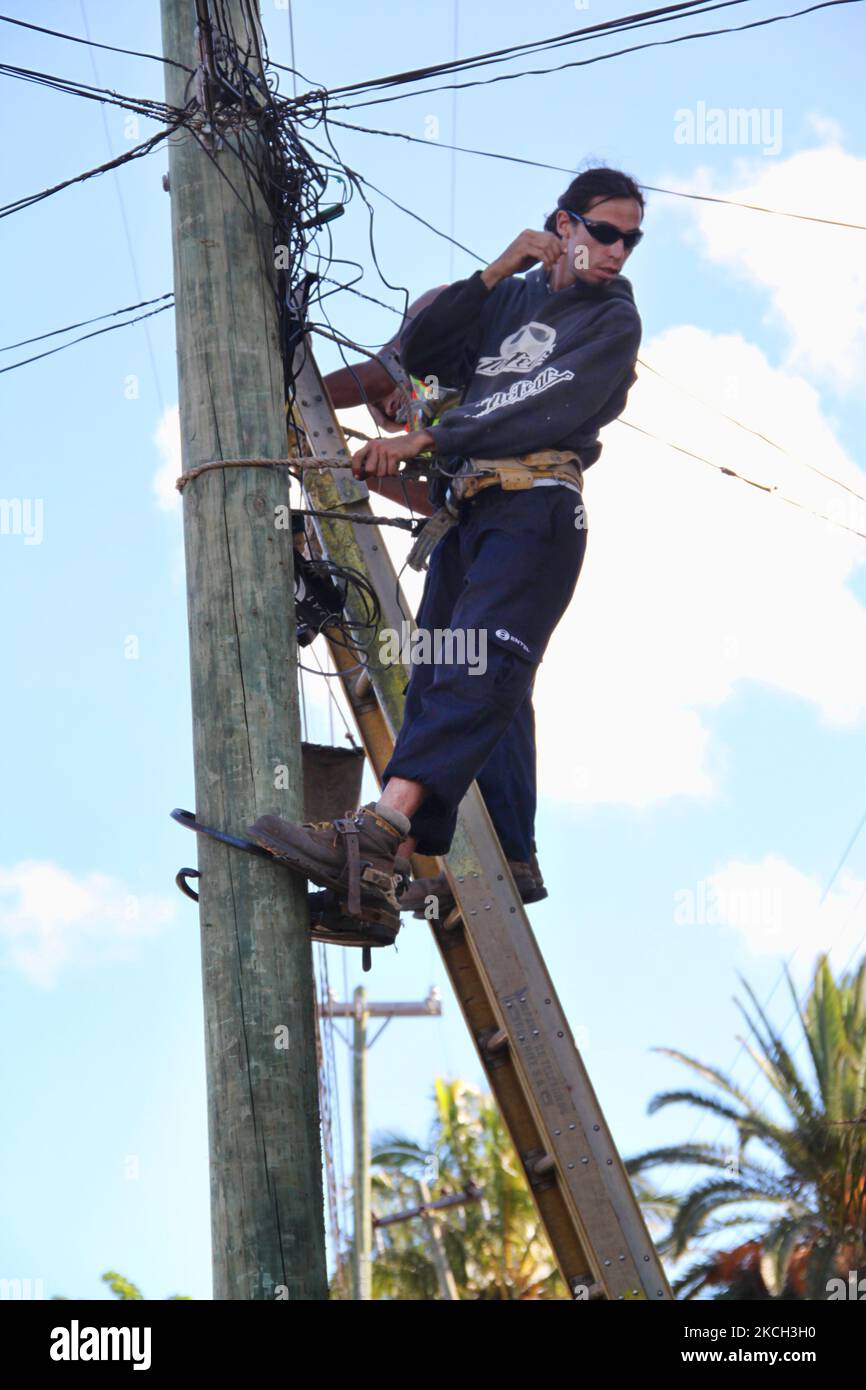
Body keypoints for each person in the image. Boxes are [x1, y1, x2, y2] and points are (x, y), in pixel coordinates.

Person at [248, 166, 645, 919]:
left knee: (483, 664)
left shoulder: (612, 320)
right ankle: (385, 871)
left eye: (630, 239)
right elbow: (415, 355)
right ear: (562, 225)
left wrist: (420, 437)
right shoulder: (513, 298)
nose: (619, 250)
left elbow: (538, 401)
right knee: (440, 674)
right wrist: (495, 271)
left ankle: (385, 823)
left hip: (537, 509)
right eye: (605, 232)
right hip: (469, 514)